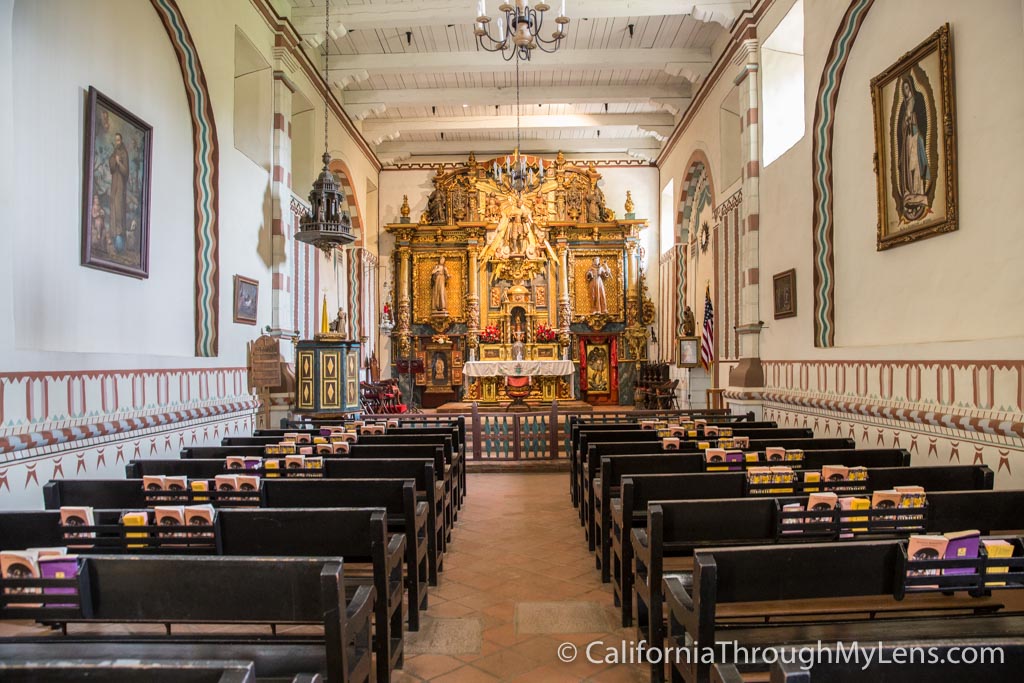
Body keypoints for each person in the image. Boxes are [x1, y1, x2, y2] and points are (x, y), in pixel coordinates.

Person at [896, 74, 930, 222]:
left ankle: (918, 192)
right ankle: (909, 193)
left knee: (916, 166)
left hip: (915, 137)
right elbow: (900, 129)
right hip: (907, 139)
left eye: (906, 87)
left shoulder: (918, 99)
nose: (905, 90)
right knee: (907, 168)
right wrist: (905, 123)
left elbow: (923, 121)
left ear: (910, 87)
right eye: (903, 88)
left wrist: (913, 120)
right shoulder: (903, 107)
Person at [108, 133, 130, 243]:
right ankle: (112, 233)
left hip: (120, 184)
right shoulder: (114, 152)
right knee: (112, 204)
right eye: (115, 140)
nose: (117, 142)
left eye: (118, 140)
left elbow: (126, 171)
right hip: (114, 184)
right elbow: (111, 167)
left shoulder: (124, 153)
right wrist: (114, 161)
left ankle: (119, 234)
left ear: (121, 141)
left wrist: (119, 162)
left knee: (118, 206)